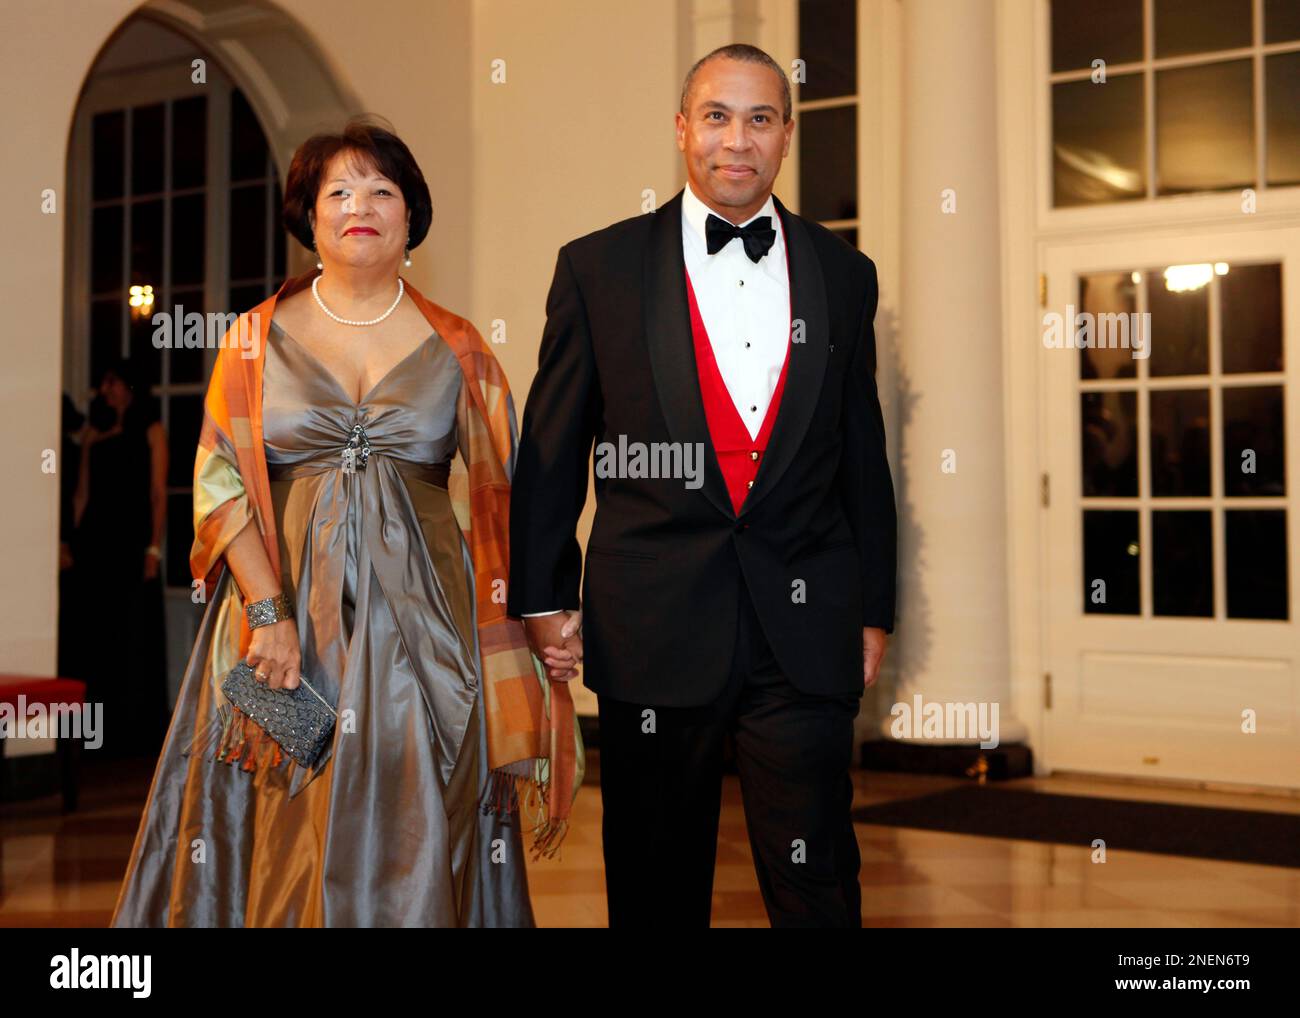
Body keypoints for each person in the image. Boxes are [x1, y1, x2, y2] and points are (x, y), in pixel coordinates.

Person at [111, 116, 580, 928]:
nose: (360, 204)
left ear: (409, 217)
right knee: (284, 822)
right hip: (283, 628)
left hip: (431, 639)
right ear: (309, 215)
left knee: (423, 820)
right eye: (339, 190)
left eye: (381, 189)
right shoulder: (252, 340)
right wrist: (268, 612)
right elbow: (218, 484)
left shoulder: (460, 346)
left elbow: (511, 495)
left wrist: (539, 616)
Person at [508, 44, 897, 927]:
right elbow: (553, 452)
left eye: (761, 119)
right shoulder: (597, 268)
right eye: (717, 116)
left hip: (804, 625)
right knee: (655, 883)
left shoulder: (844, 274)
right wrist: (541, 598)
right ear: (682, 129)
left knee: (818, 878)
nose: (737, 139)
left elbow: (861, 456)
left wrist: (873, 608)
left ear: (787, 137)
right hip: (652, 624)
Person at [72, 360, 169, 758]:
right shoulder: (94, 432)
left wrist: (153, 548)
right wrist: (70, 542)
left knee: (131, 634)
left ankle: (133, 733)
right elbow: (82, 493)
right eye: (103, 383)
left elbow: (158, 493)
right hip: (95, 545)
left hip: (131, 544)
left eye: (112, 382)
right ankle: (96, 735)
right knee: (95, 636)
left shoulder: (152, 430)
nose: (106, 389)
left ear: (129, 386)